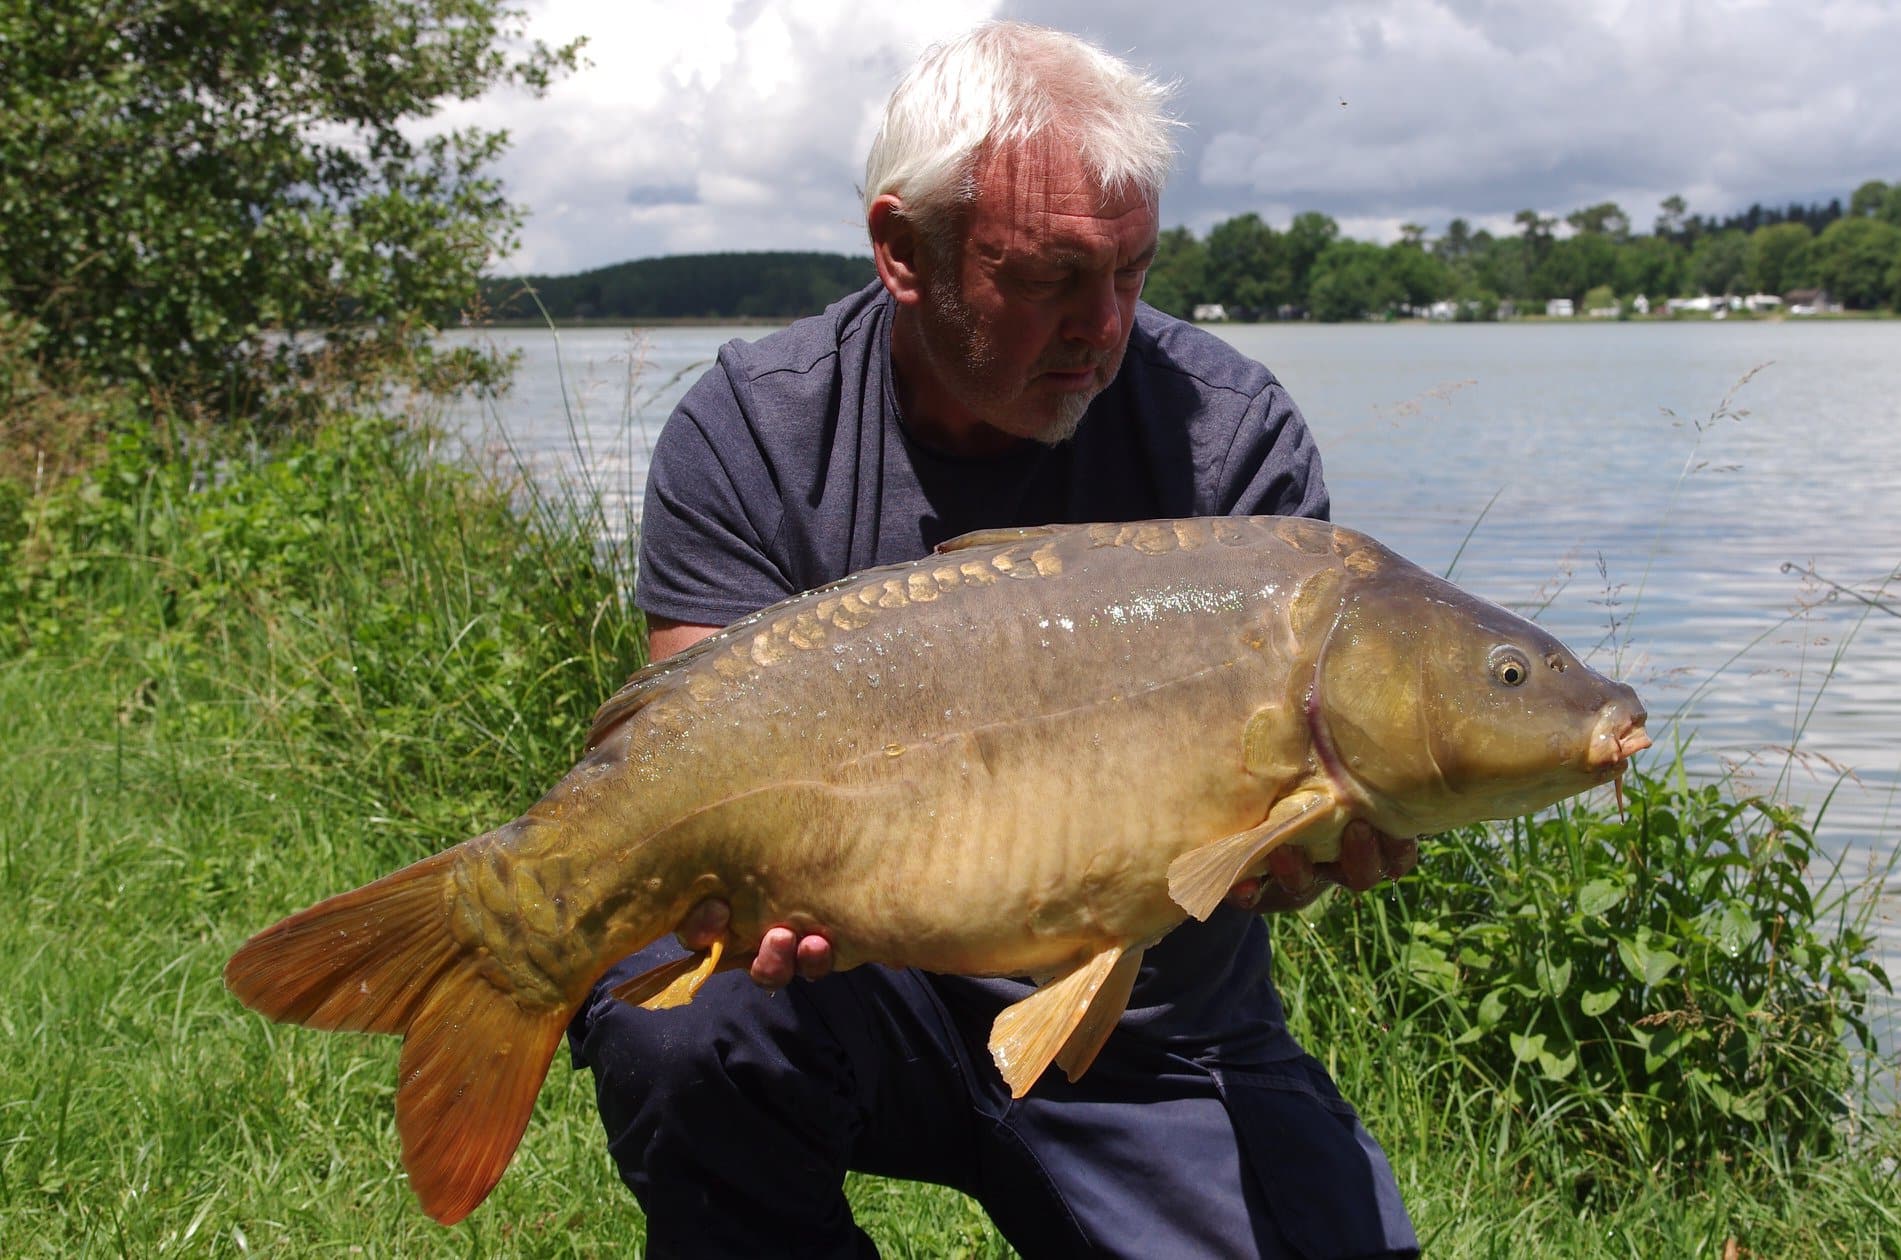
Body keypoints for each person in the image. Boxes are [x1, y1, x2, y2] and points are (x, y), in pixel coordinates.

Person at [568, 21, 1420, 1259]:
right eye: (1047, 279)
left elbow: (1269, 816)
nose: (1103, 326)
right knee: (683, 1038)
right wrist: (734, 897)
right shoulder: (752, 429)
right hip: (838, 992)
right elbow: (686, 759)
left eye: (1130, 273)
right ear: (901, 250)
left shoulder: (1227, 441)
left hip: (1155, 1033)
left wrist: (1294, 845)